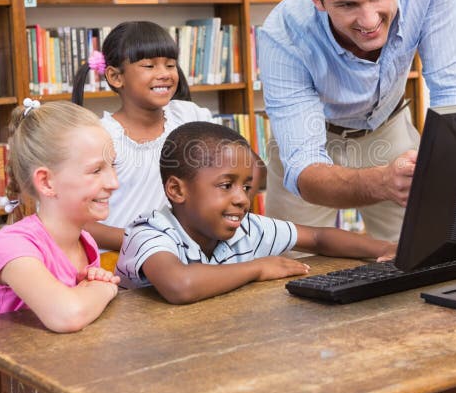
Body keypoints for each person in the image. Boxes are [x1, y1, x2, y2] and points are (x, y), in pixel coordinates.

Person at [258, 0, 456, 241]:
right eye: (348, 5)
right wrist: (381, 182)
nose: (369, 19)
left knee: (426, 251)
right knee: (291, 264)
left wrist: (448, 159)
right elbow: (304, 168)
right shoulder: (284, 35)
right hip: (316, 139)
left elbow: (453, 88)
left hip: (390, 131)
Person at [116, 121, 396, 304]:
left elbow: (318, 238)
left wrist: (385, 248)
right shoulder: (150, 233)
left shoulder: (247, 228)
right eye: (226, 185)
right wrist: (258, 267)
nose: (242, 198)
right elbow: (180, 285)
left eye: (247, 186)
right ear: (177, 190)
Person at [0, 99, 121, 393]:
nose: (113, 182)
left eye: (113, 166)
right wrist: (103, 288)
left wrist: (91, 291)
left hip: (52, 387)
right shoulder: (13, 245)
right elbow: (69, 314)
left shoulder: (84, 241)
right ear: (46, 182)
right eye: (96, 170)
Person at [71, 21, 214, 250]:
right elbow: (79, 223)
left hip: (182, 254)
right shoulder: (100, 137)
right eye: (149, 66)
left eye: (170, 65)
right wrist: (150, 243)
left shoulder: (189, 117)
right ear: (116, 77)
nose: (164, 74)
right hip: (117, 262)